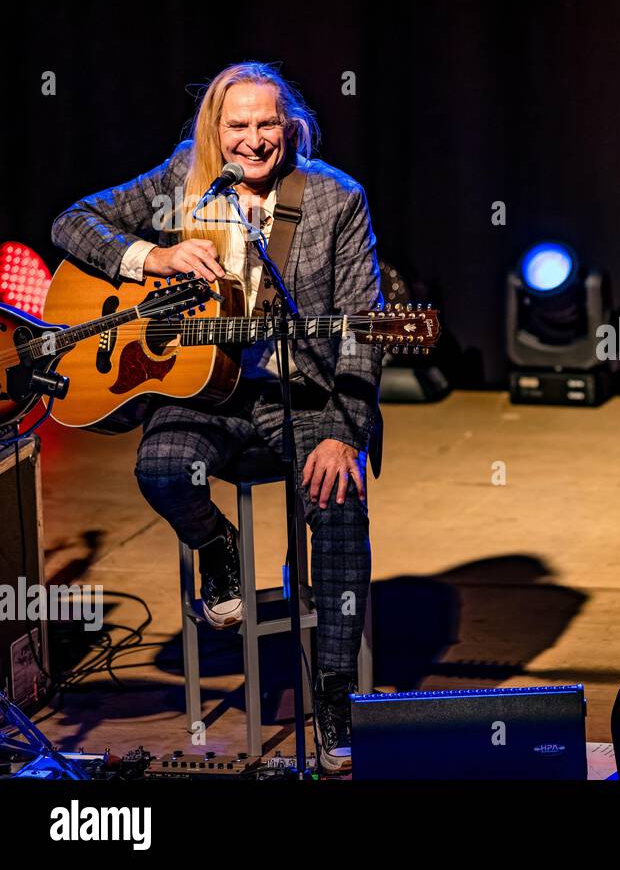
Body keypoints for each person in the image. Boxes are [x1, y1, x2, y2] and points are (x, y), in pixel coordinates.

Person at [51, 61, 383, 772]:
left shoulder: (333, 198)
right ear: (215, 128)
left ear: (290, 128)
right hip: (204, 397)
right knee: (163, 465)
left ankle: (333, 695)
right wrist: (153, 256)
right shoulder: (182, 180)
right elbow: (71, 223)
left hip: (301, 398)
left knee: (338, 500)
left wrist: (345, 432)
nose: (254, 140)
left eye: (268, 124)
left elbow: (361, 328)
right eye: (239, 125)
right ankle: (220, 552)